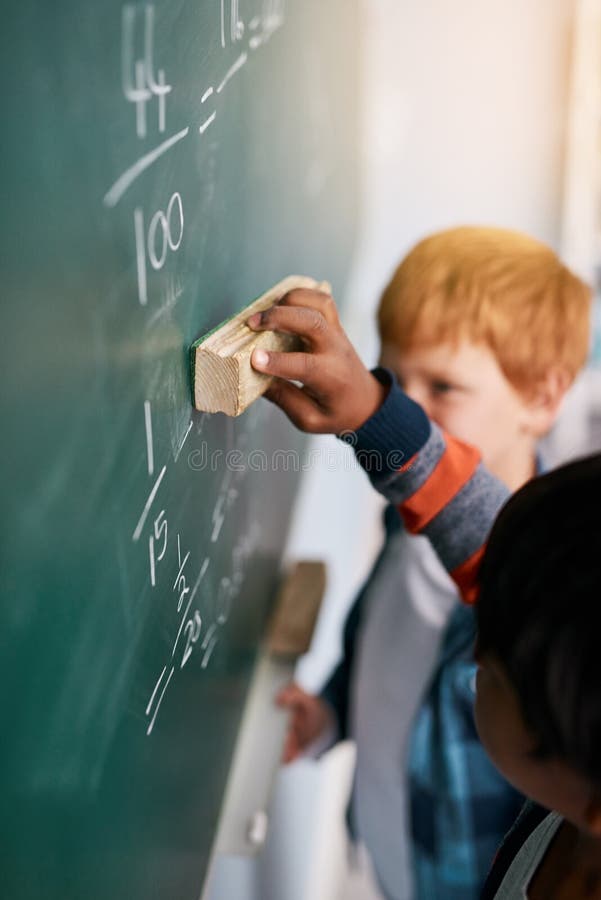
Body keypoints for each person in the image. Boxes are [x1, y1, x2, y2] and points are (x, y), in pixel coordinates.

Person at [264, 228, 592, 899]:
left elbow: (468, 519)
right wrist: (329, 716)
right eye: (394, 375)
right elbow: (383, 648)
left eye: (441, 387)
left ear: (541, 397)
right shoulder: (404, 526)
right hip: (392, 850)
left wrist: (376, 413)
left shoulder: (553, 596)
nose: (412, 402)